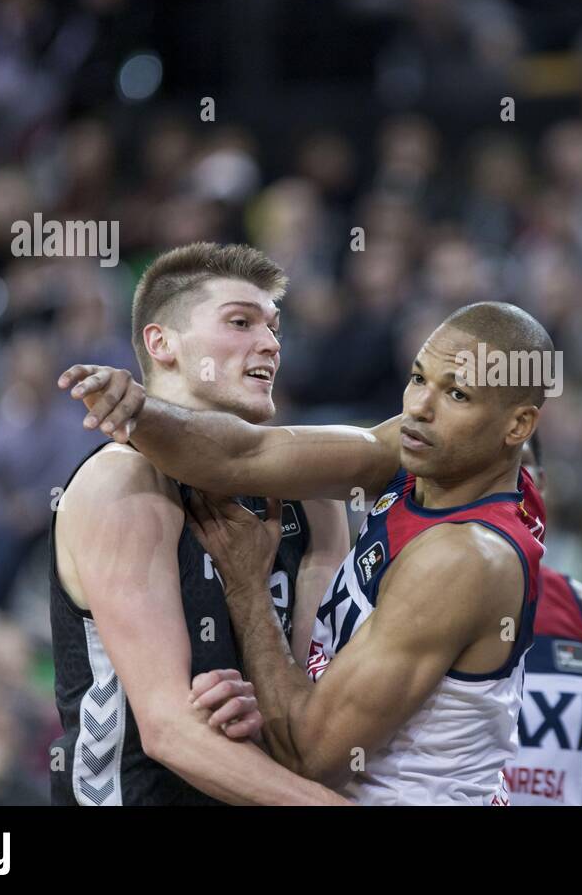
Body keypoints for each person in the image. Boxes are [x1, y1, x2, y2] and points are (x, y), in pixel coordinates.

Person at [59, 298, 553, 804]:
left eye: (457, 394)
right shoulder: (425, 456)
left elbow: (311, 756)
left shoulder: (463, 557)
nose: (420, 408)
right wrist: (140, 410)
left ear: (518, 426)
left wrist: (248, 591)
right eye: (418, 378)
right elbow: (243, 455)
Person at [50, 243, 348, 805]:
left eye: (274, 327)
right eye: (241, 322)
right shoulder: (124, 481)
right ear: (161, 343)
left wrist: (265, 714)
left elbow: (315, 720)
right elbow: (169, 731)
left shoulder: (312, 498)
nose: (271, 344)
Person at [503, 436, 582, 805]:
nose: (504, 479)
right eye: (486, 464)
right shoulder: (404, 609)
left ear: (542, 482)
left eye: (519, 464)